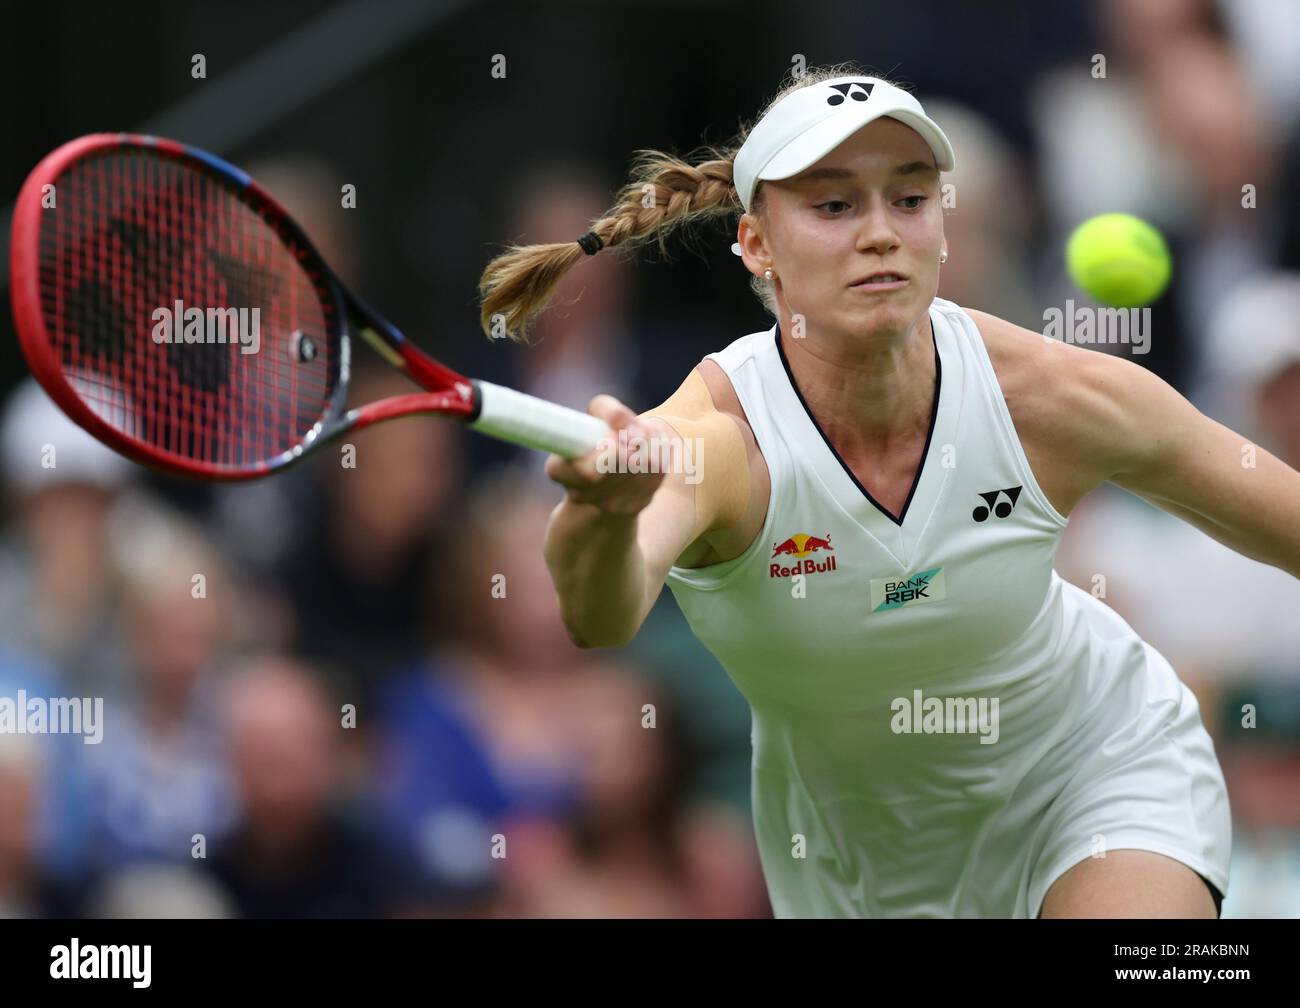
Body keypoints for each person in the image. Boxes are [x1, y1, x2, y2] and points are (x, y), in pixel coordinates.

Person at [477, 63, 1300, 919]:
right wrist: (605, 518)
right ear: (757, 243)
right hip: (859, 871)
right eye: (834, 206)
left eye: (909, 200)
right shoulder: (720, 441)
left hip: (1096, 773)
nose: (880, 233)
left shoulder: (1053, 400)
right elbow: (599, 615)